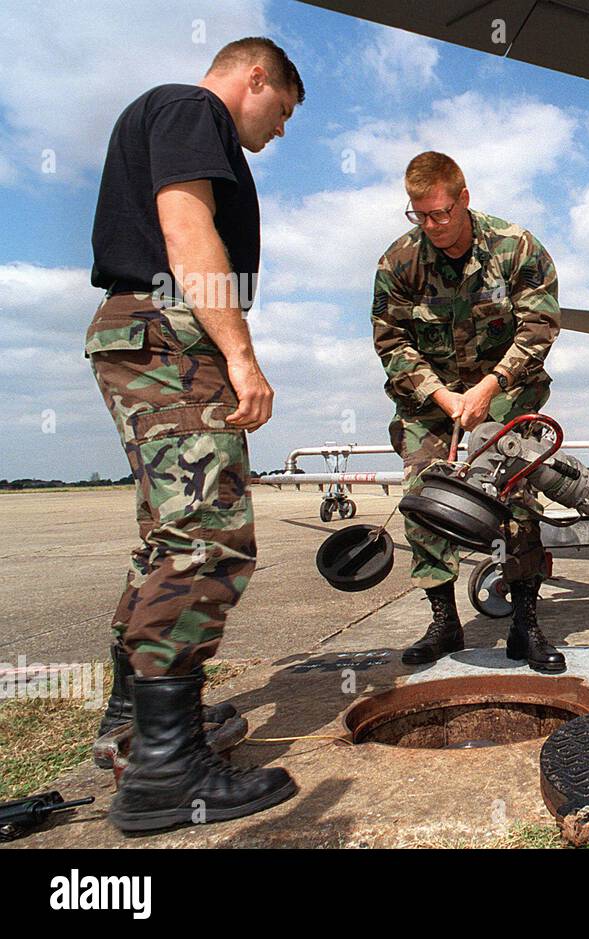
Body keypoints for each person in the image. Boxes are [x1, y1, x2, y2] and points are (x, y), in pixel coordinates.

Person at [84, 38, 304, 832]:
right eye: (280, 112)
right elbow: (185, 226)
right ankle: (168, 773)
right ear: (256, 78)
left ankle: (136, 730)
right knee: (205, 538)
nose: (277, 132)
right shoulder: (192, 107)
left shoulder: (171, 112)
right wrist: (241, 357)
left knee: (166, 538)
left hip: (144, 332)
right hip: (169, 336)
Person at [371, 152, 565, 672]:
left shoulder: (516, 248)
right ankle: (444, 623)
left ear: (464, 200)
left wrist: (490, 386)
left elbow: (539, 329)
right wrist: (442, 395)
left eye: (441, 213)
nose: (432, 226)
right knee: (422, 499)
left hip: (507, 395)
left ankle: (525, 624)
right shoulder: (399, 262)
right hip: (432, 405)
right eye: (419, 215)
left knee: (518, 502)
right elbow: (391, 342)